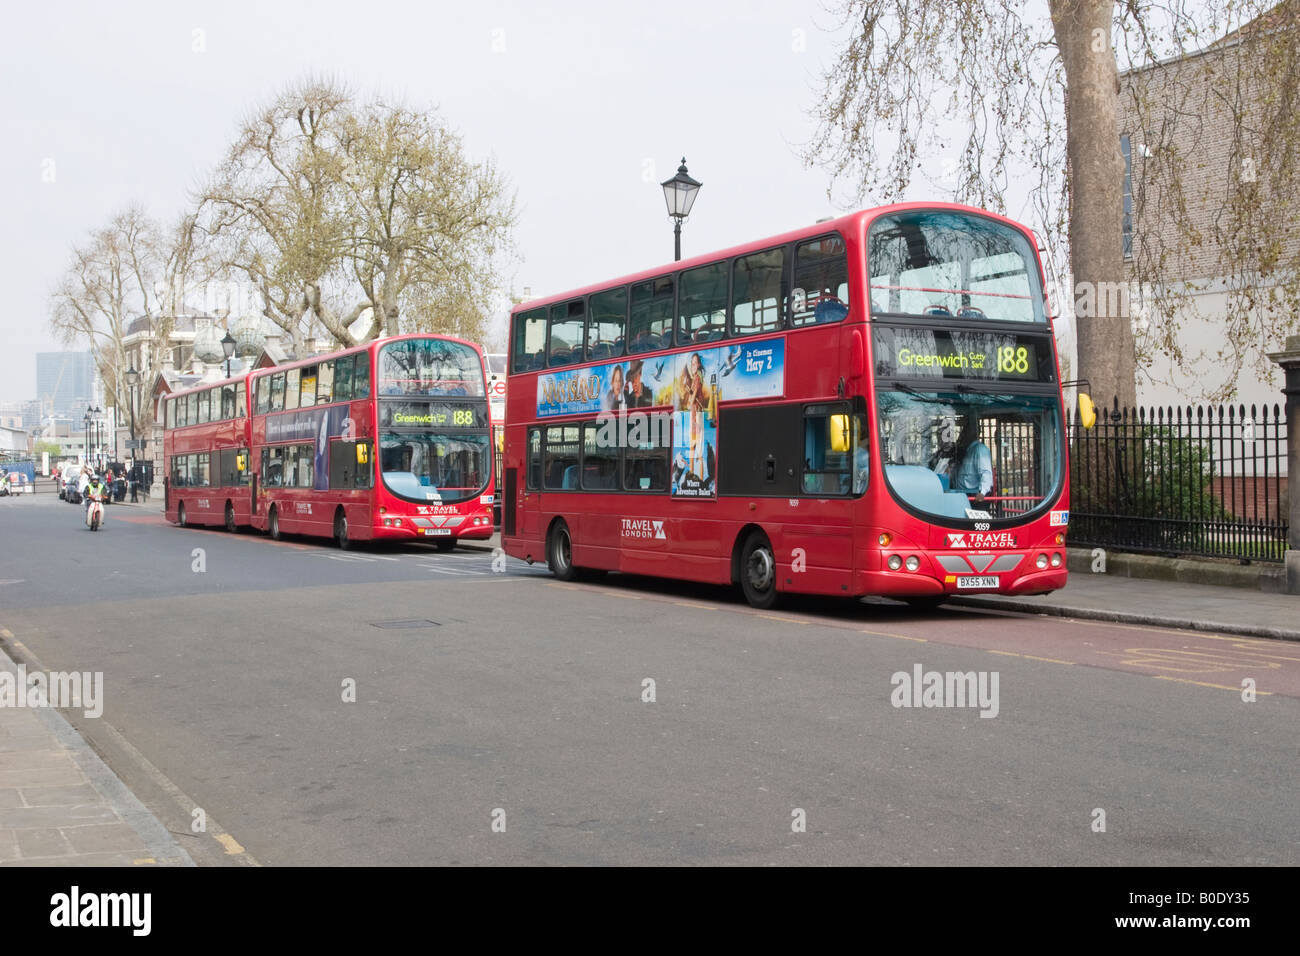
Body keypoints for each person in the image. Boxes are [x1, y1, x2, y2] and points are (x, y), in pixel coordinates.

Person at [951, 413, 994, 501]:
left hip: (976, 496)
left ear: (973, 433)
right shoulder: (966, 450)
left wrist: (982, 492)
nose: (962, 434)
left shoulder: (980, 450)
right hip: (962, 495)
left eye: (965, 431)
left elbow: (986, 473)